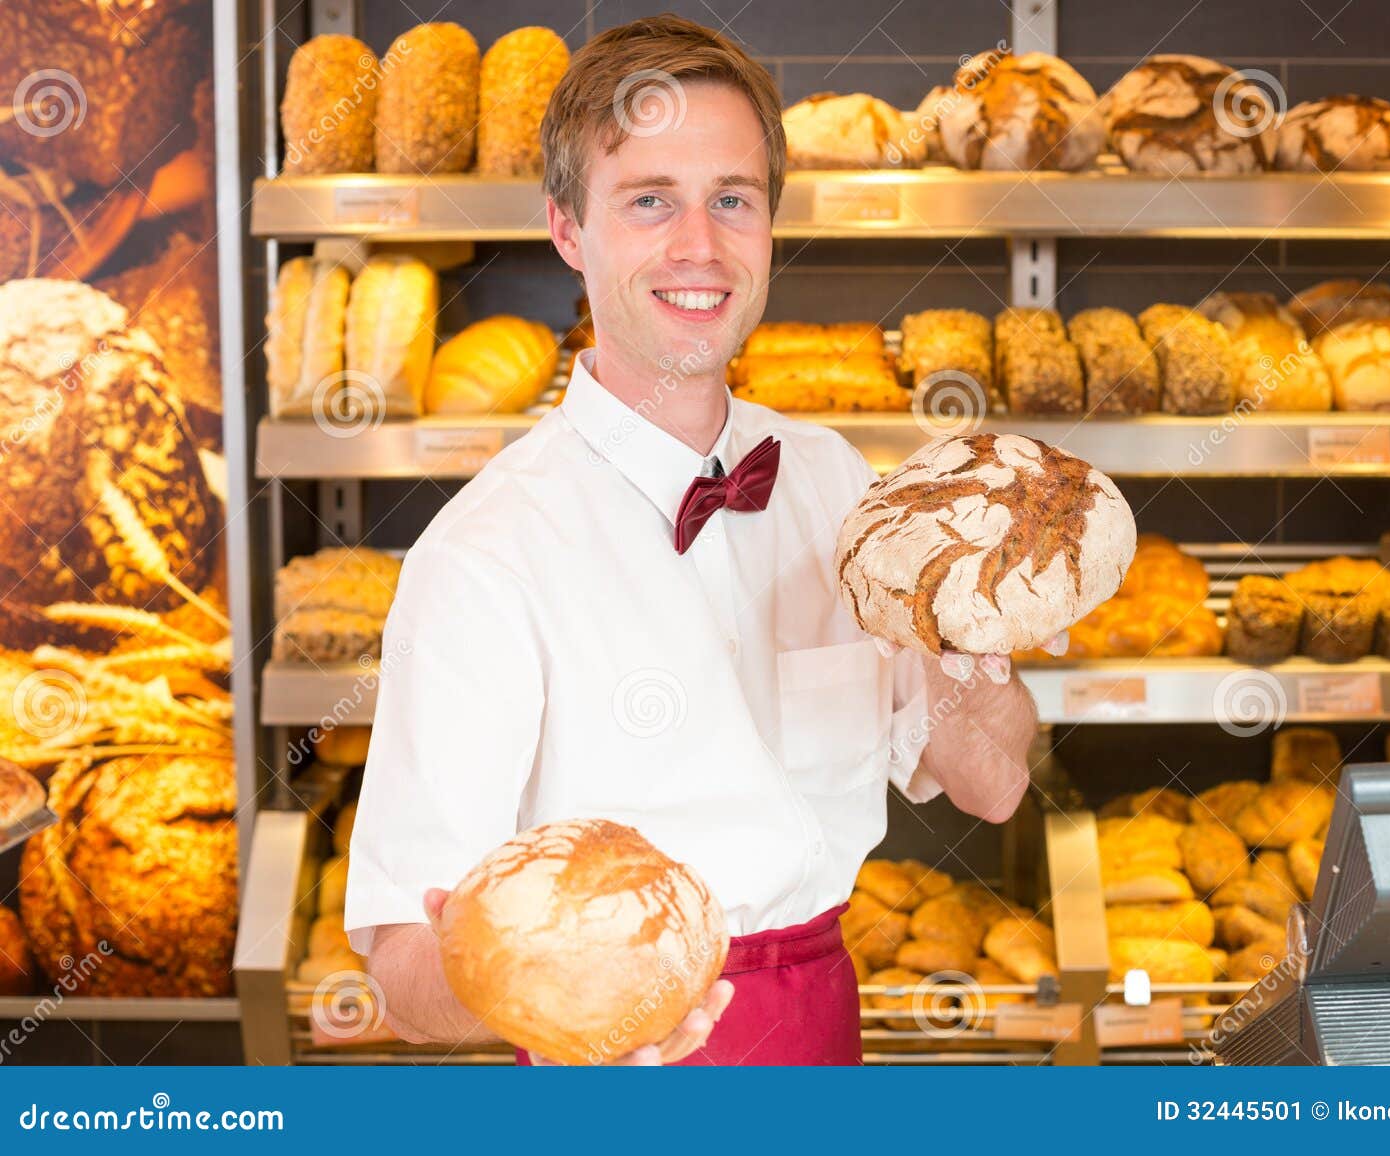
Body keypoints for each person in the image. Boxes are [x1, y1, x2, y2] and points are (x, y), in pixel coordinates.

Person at [345, 14, 1043, 1066]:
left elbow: (990, 783)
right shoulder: (484, 554)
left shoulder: (837, 483)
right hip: (609, 1072)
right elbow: (399, 964)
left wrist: (981, 633)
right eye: (649, 202)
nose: (698, 249)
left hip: (823, 1028)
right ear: (568, 230)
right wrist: (552, 993)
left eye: (731, 200)